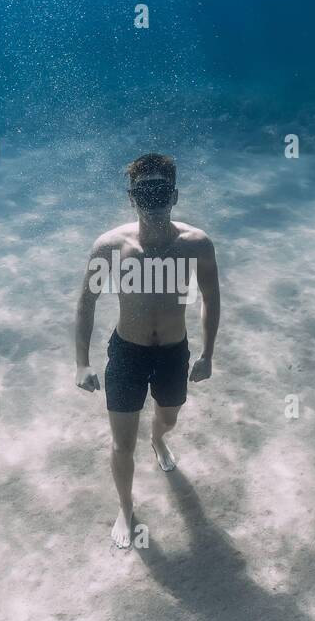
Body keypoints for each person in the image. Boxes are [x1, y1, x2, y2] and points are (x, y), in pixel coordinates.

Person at [74, 153, 221, 548]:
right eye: (145, 191)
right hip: (127, 354)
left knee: (168, 418)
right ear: (131, 197)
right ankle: (126, 508)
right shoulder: (110, 246)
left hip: (174, 353)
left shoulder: (197, 245)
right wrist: (82, 362)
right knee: (122, 442)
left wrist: (207, 353)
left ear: (173, 195)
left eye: (160, 190)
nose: (153, 200)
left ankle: (159, 439)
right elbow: (86, 303)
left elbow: (210, 298)